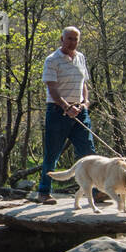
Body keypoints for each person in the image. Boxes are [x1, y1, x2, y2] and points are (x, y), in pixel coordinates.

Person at [35, 26, 96, 204]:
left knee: (88, 152)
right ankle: (44, 192)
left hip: (80, 112)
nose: (72, 42)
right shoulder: (52, 60)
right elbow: (52, 88)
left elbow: (84, 83)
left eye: (75, 39)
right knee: (52, 153)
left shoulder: (81, 57)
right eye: (69, 39)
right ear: (61, 39)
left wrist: (85, 103)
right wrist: (66, 107)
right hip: (57, 112)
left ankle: (95, 192)